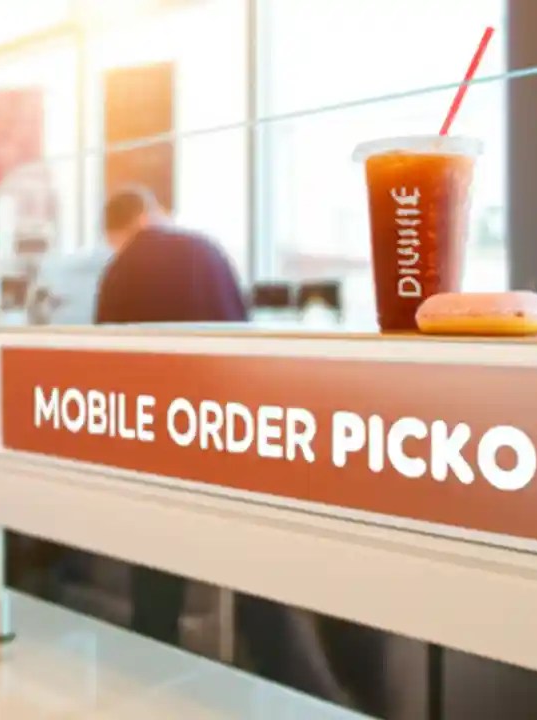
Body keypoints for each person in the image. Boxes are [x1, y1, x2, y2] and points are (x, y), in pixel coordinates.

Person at [95, 187, 350, 705]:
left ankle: (151, 689)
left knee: (156, 581)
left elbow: (108, 360)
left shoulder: (121, 268)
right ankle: (282, 692)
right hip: (221, 434)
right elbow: (243, 336)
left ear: (123, 227)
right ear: (155, 213)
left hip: (156, 445)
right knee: (245, 574)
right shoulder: (208, 249)